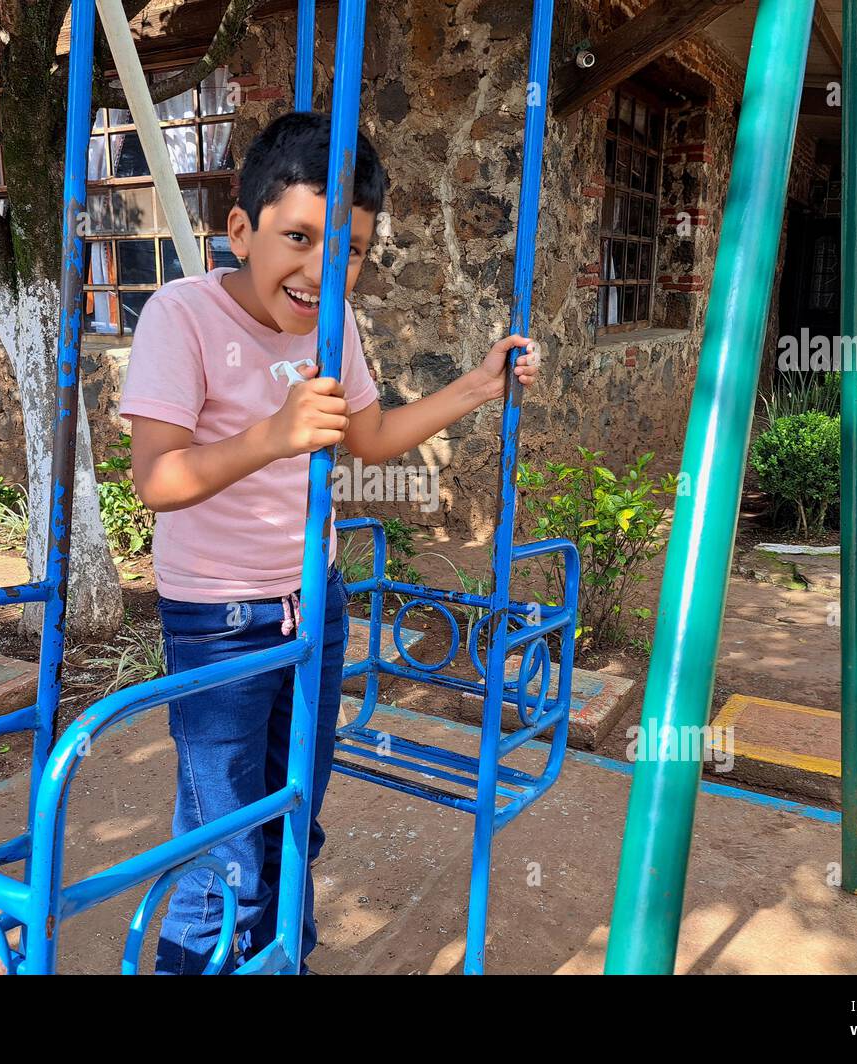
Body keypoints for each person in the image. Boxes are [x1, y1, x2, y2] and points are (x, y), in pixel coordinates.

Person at [120, 110, 540, 974]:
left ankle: (283, 959)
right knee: (222, 840)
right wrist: (270, 438)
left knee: (295, 814)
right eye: (299, 237)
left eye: (348, 248)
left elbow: (373, 437)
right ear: (241, 229)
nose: (321, 269)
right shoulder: (182, 316)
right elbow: (155, 480)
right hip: (216, 622)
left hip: (315, 607)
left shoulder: (335, 327)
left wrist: (478, 384)